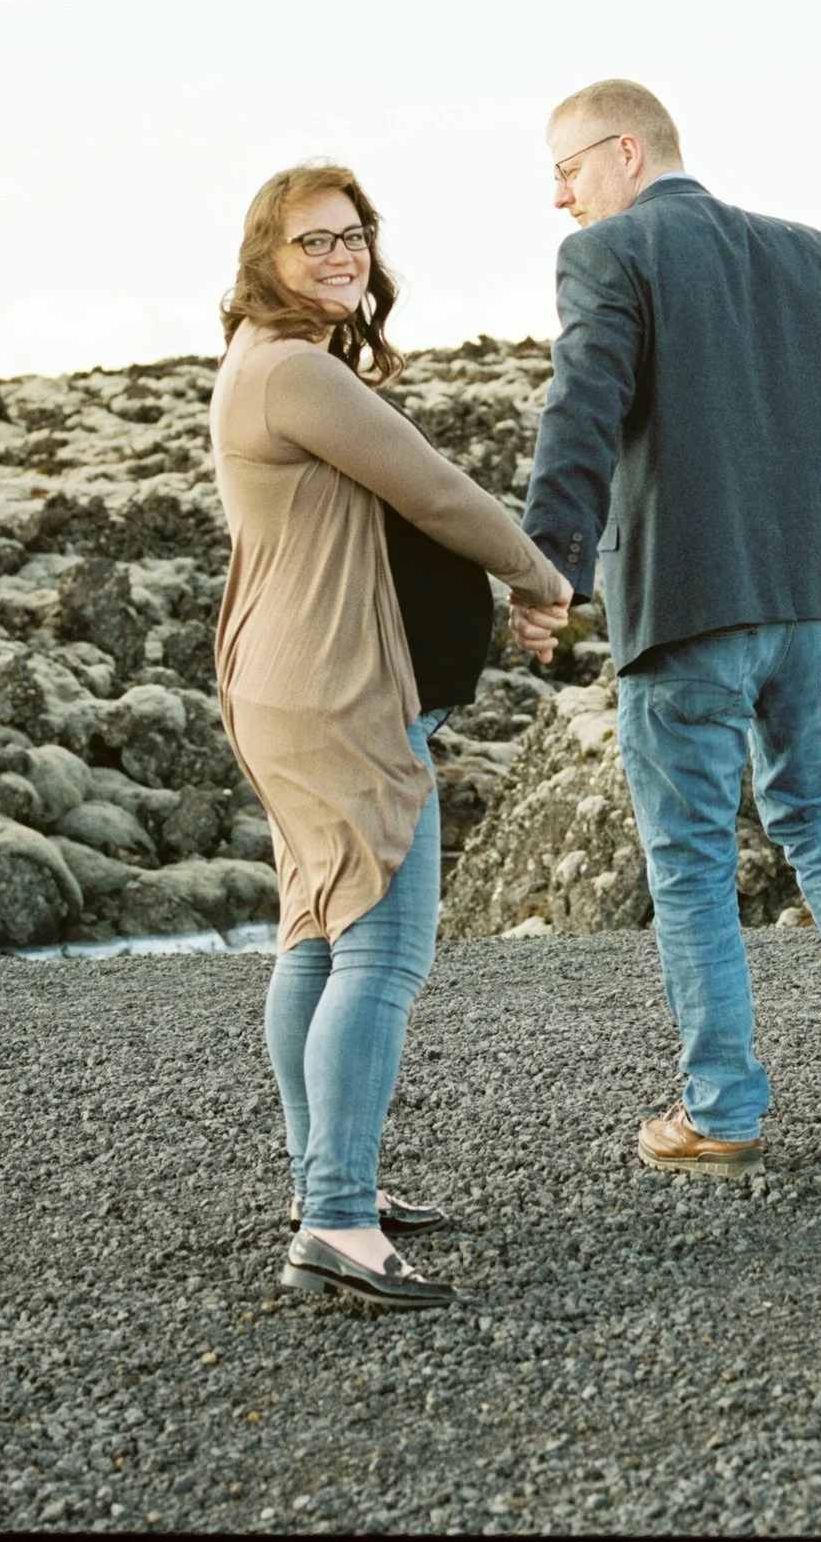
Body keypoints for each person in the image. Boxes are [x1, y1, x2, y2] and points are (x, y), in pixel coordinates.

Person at [514, 80, 821, 1180]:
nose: (556, 192)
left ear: (624, 151)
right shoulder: (809, 252)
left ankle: (722, 1110)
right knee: (819, 811)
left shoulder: (610, 255)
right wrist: (815, 534)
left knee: (693, 855)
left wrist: (546, 570)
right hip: (811, 604)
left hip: (688, 603)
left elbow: (581, 412)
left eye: (566, 166)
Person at [210, 162, 572, 1308]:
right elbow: (435, 490)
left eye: (353, 235)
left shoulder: (264, 368)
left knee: (316, 933)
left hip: (291, 684)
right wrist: (536, 575)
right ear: (264, 259)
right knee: (380, 947)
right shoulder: (291, 372)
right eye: (312, 240)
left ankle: (330, 1183)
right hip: (333, 693)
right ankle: (337, 1223)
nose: (340, 255)